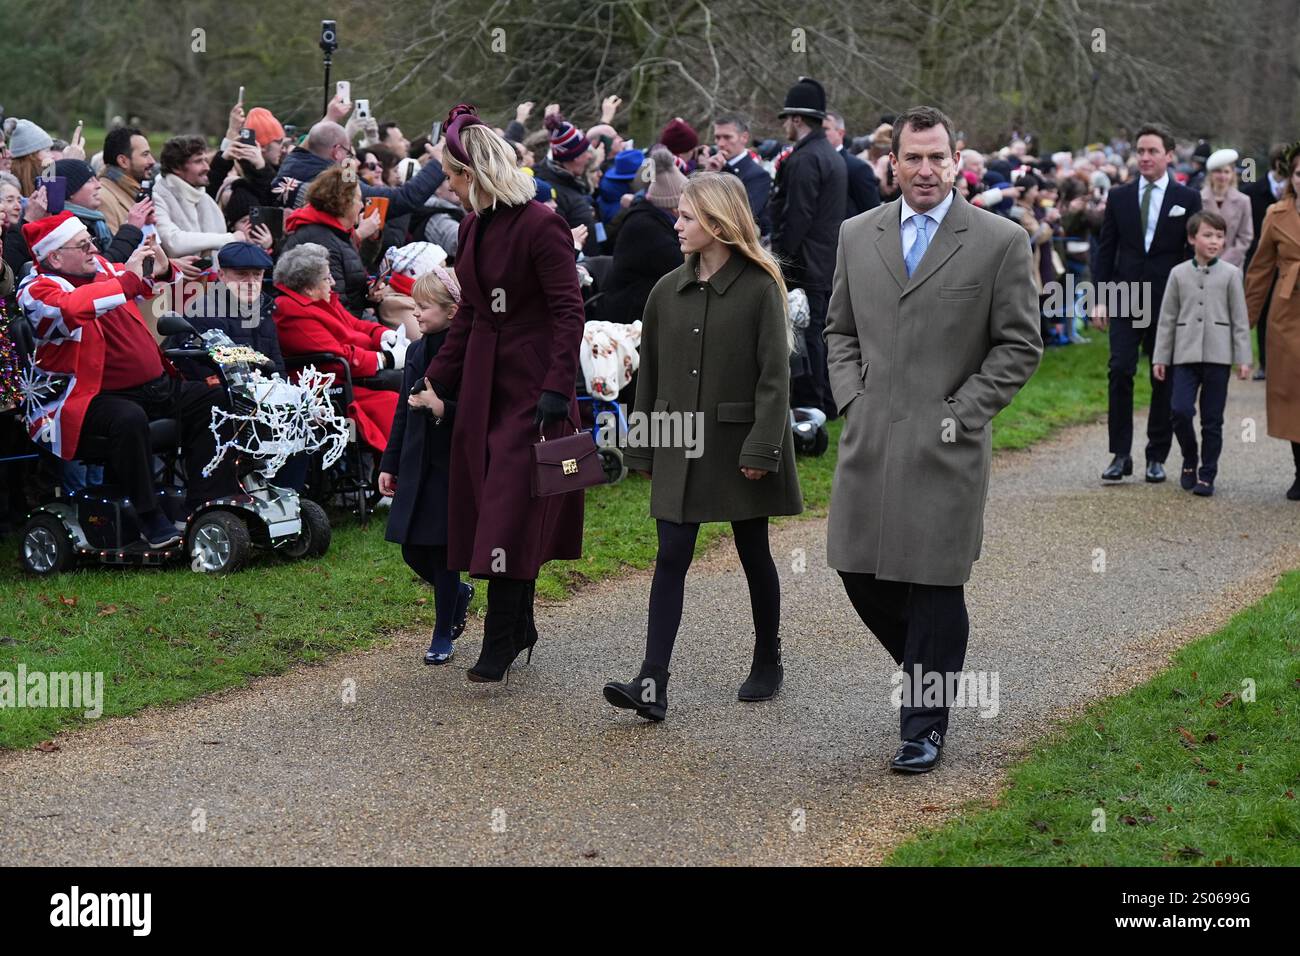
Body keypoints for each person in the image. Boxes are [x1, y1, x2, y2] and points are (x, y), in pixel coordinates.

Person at [824, 106, 1042, 773]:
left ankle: (923, 724)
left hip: (949, 443)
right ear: (892, 161)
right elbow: (838, 331)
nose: (924, 170)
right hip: (870, 440)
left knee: (937, 585)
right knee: (856, 569)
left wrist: (964, 410)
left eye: (936, 158)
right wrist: (851, 398)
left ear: (958, 160)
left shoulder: (1000, 241)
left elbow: (1019, 343)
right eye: (911, 158)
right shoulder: (857, 235)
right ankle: (932, 672)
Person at [603, 172, 803, 721]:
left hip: (739, 444)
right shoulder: (665, 291)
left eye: (687, 217)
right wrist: (641, 447)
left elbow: (774, 378)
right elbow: (650, 377)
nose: (677, 224)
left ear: (717, 224)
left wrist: (763, 448)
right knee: (671, 554)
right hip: (678, 442)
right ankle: (652, 681)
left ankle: (768, 658)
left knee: (752, 551)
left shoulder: (762, 287)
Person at [410, 104, 585, 683]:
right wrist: (441, 377)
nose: (451, 187)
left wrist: (558, 386)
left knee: (513, 504)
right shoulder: (471, 227)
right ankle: (522, 622)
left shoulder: (541, 224)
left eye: (455, 176)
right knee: (491, 504)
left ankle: (502, 636)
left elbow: (568, 309)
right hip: (485, 381)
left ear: (476, 173)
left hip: (533, 384)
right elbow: (469, 316)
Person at [17, 211, 236, 547]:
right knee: (127, 418)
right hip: (85, 400)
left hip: (153, 387)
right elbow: (74, 308)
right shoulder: (37, 290)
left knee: (215, 399)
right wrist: (129, 279)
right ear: (56, 256)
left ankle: (205, 503)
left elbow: (147, 286)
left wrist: (162, 267)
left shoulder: (101, 269)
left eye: (91, 240)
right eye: (83, 244)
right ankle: (149, 516)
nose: (93, 248)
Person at [1092, 123, 1201, 483]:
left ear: (1169, 155)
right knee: (1120, 370)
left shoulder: (1187, 199)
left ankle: (1156, 455)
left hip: (1169, 301)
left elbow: (1191, 253)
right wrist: (1100, 298)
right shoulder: (1120, 197)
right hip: (1125, 298)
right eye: (1140, 150)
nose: (1144, 157)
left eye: (1152, 151)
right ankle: (1120, 455)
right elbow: (1105, 251)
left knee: (1163, 376)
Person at [379, 267, 475, 665]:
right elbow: (403, 410)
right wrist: (390, 462)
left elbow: (475, 408)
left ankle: (441, 633)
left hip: (450, 463)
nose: (415, 313)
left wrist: (441, 410)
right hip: (417, 461)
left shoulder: (468, 348)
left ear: (453, 311)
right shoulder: (417, 351)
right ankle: (457, 595)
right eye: (414, 306)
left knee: (442, 552)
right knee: (411, 549)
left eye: (424, 307)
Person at [1152, 211, 1252, 497]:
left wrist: (1243, 358)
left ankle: (1207, 473)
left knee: (1212, 419)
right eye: (1208, 235)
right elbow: (1167, 318)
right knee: (1179, 411)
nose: (1214, 241)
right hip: (1184, 354)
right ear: (1192, 238)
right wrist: (1161, 356)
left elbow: (1240, 319)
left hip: (1218, 357)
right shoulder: (1178, 273)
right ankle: (1189, 456)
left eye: (1219, 237)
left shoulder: (1232, 274)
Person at [272, 242, 403, 453]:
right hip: (333, 389)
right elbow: (335, 359)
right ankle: (395, 471)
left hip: (353, 377)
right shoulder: (290, 311)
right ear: (307, 287)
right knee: (398, 402)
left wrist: (383, 334)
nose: (332, 283)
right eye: (326, 278)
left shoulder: (320, 300)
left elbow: (356, 325)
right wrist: (385, 359)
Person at [769, 76, 846, 417]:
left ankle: (812, 404)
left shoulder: (804, 159)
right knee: (819, 333)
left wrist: (779, 260)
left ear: (797, 119)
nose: (784, 124)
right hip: (825, 260)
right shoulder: (827, 153)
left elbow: (796, 216)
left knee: (807, 334)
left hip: (806, 264)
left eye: (786, 118)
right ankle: (826, 402)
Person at [1244, 143, 1300, 500]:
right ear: (1291, 177)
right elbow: (1260, 269)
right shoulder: (1276, 214)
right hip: (1288, 311)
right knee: (1291, 393)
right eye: (1299, 173)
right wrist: (1242, 328)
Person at [164, 240, 284, 380]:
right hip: (218, 395)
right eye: (242, 274)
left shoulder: (264, 308)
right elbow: (210, 378)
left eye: (257, 274)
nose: (251, 282)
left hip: (259, 393)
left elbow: (276, 365)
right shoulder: (205, 312)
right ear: (221, 275)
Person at [271, 120, 445, 215]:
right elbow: (403, 198)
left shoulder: (291, 163)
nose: (352, 161)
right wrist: (438, 162)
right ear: (337, 152)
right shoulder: (333, 186)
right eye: (349, 153)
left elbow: (317, 136)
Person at [278, 165, 382, 317]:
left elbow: (350, 282)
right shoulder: (322, 240)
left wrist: (369, 295)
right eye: (359, 199)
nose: (361, 205)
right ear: (344, 202)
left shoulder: (335, 233)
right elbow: (336, 306)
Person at [599, 147, 685, 326]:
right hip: (630, 318)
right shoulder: (645, 227)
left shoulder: (652, 218)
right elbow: (681, 266)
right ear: (674, 207)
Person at [151, 135, 247, 259]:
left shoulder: (204, 198)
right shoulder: (157, 196)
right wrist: (229, 239)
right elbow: (173, 243)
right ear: (176, 167)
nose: (207, 167)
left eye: (205, 160)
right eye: (198, 161)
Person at [1240, 143, 1288, 379]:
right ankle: (1265, 364)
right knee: (1263, 310)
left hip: (1289, 263)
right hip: (1261, 257)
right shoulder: (1252, 191)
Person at [55, 159, 150, 263]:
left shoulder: (95, 221)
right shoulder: (68, 227)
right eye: (89, 181)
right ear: (70, 192)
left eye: (96, 179)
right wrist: (131, 229)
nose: (98, 185)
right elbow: (102, 266)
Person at [538, 111, 600, 256]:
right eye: (585, 151)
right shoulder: (550, 192)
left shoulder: (575, 182)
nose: (589, 156)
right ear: (574, 157)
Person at [704, 113, 772, 235]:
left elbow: (743, 217)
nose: (721, 143)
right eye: (717, 137)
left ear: (744, 137)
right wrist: (706, 176)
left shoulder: (758, 175)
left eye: (727, 137)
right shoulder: (712, 168)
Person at [1199, 149, 1253, 267]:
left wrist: (1224, 261)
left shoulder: (1243, 201)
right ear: (1211, 174)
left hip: (1232, 265)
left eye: (1226, 172)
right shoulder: (1198, 198)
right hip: (1202, 263)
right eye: (1218, 171)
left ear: (1232, 174)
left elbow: (1245, 237)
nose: (1222, 176)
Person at [97, 127, 156, 233]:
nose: (152, 161)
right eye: (145, 154)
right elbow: (114, 248)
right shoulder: (102, 199)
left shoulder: (136, 192)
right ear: (123, 161)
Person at [825, 111, 881, 218]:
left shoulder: (857, 168)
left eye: (825, 129)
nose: (819, 133)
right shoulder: (810, 163)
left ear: (840, 133)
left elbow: (872, 214)